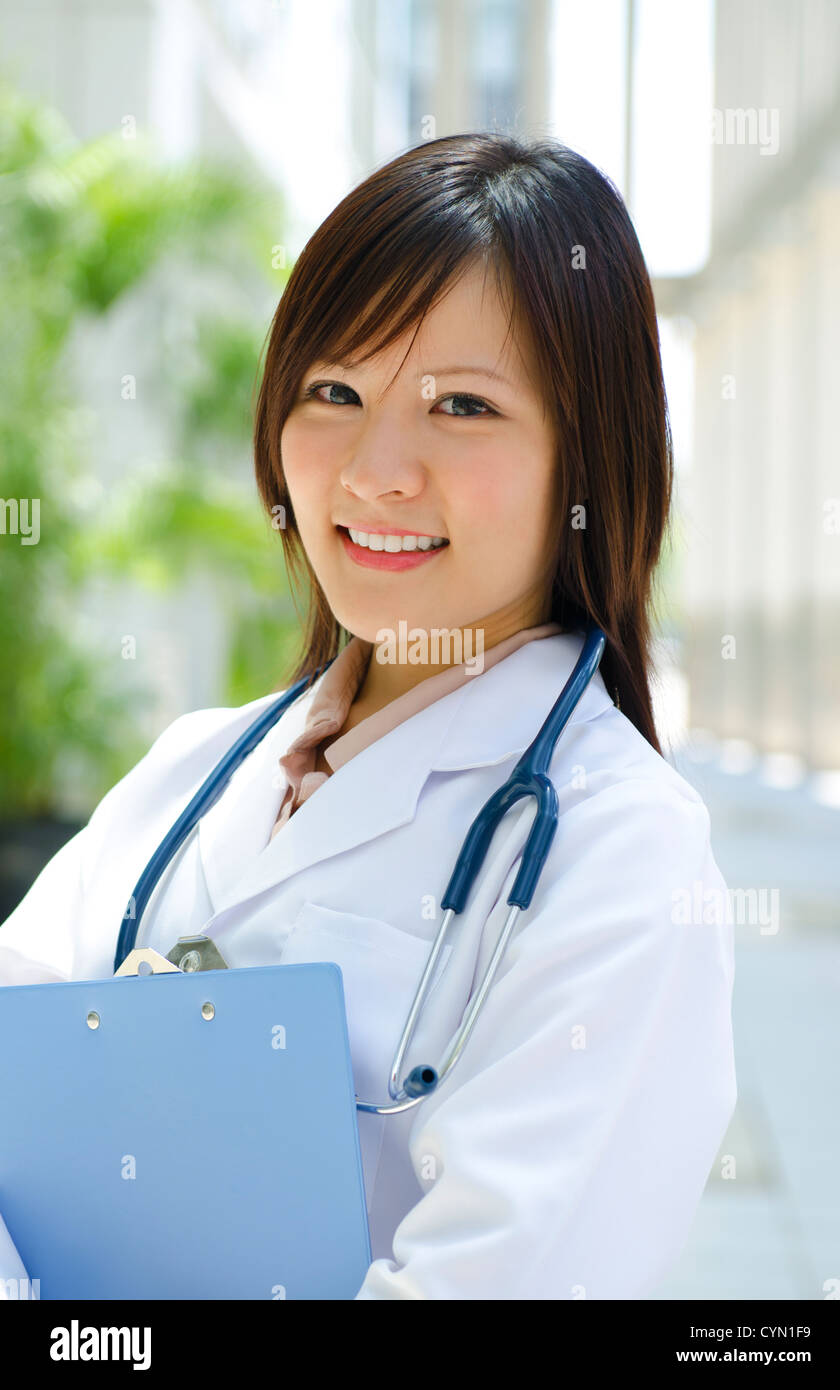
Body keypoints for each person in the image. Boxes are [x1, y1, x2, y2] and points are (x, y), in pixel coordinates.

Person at [0, 132, 735, 1300]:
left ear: (587, 462)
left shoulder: (624, 850)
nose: (375, 470)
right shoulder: (193, 769)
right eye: (334, 391)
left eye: (462, 406)